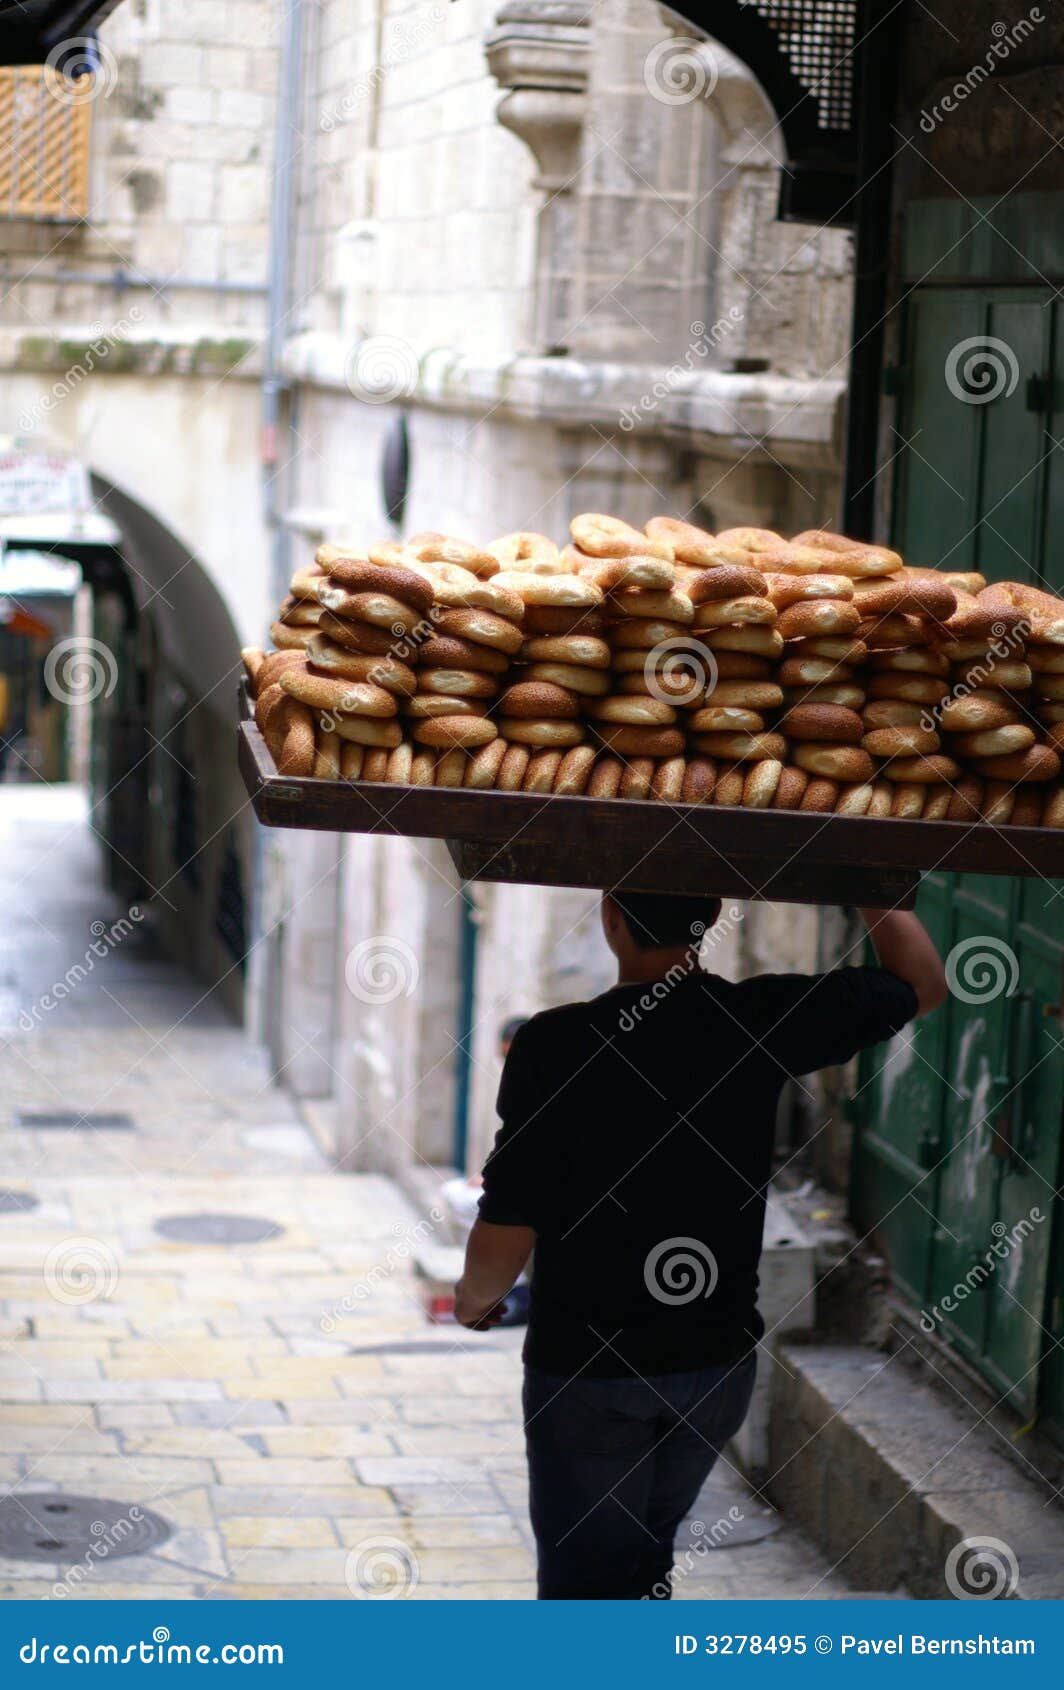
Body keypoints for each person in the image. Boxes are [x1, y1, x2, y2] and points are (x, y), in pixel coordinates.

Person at [454, 892, 947, 1600]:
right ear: (714, 917)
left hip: (591, 1375)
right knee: (645, 1569)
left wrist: (477, 1302)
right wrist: (864, 883)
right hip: (713, 1368)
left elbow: (510, 1217)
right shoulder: (756, 1021)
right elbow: (923, 983)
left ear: (611, 917)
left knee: (582, 1588)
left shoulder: (553, 1043)